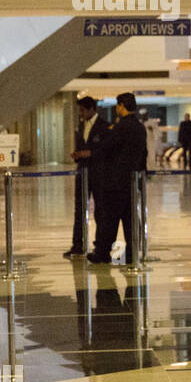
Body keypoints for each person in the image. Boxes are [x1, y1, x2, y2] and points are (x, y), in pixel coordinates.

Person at [74, 92, 147, 265]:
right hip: (131, 180)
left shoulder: (120, 127)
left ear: (122, 106)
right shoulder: (139, 127)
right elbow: (143, 154)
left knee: (109, 220)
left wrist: (90, 154)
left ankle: (102, 253)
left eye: (117, 105)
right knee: (130, 220)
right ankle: (131, 254)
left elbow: (106, 148)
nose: (116, 108)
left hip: (115, 181)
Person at [63, 96, 103, 258]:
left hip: (98, 173)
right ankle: (77, 244)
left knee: (100, 211)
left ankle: (100, 245)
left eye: (82, 110)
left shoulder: (103, 126)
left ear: (91, 109)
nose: (80, 113)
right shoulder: (81, 126)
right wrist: (78, 155)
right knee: (79, 209)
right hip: (82, 172)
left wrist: (91, 153)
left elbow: (105, 150)